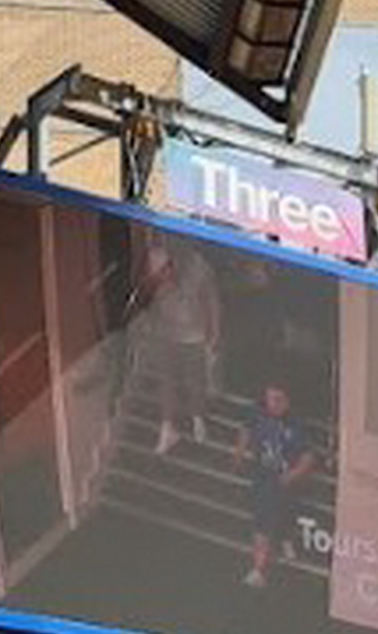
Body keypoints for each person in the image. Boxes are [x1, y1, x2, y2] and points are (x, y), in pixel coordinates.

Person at [123, 232, 221, 453]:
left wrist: (214, 333)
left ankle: (198, 419)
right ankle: (168, 427)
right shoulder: (156, 259)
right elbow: (144, 294)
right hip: (165, 332)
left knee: (194, 379)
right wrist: (158, 280)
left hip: (194, 334)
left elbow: (211, 301)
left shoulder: (200, 267)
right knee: (167, 381)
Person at [241, 382, 320, 591]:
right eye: (271, 399)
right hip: (263, 479)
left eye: (279, 400)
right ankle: (258, 569)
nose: (274, 404)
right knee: (263, 523)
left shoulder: (296, 425)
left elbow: (309, 457)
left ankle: (283, 539)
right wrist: (239, 452)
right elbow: (246, 430)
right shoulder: (258, 415)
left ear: (287, 401)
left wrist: (292, 475)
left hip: (287, 481)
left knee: (279, 512)